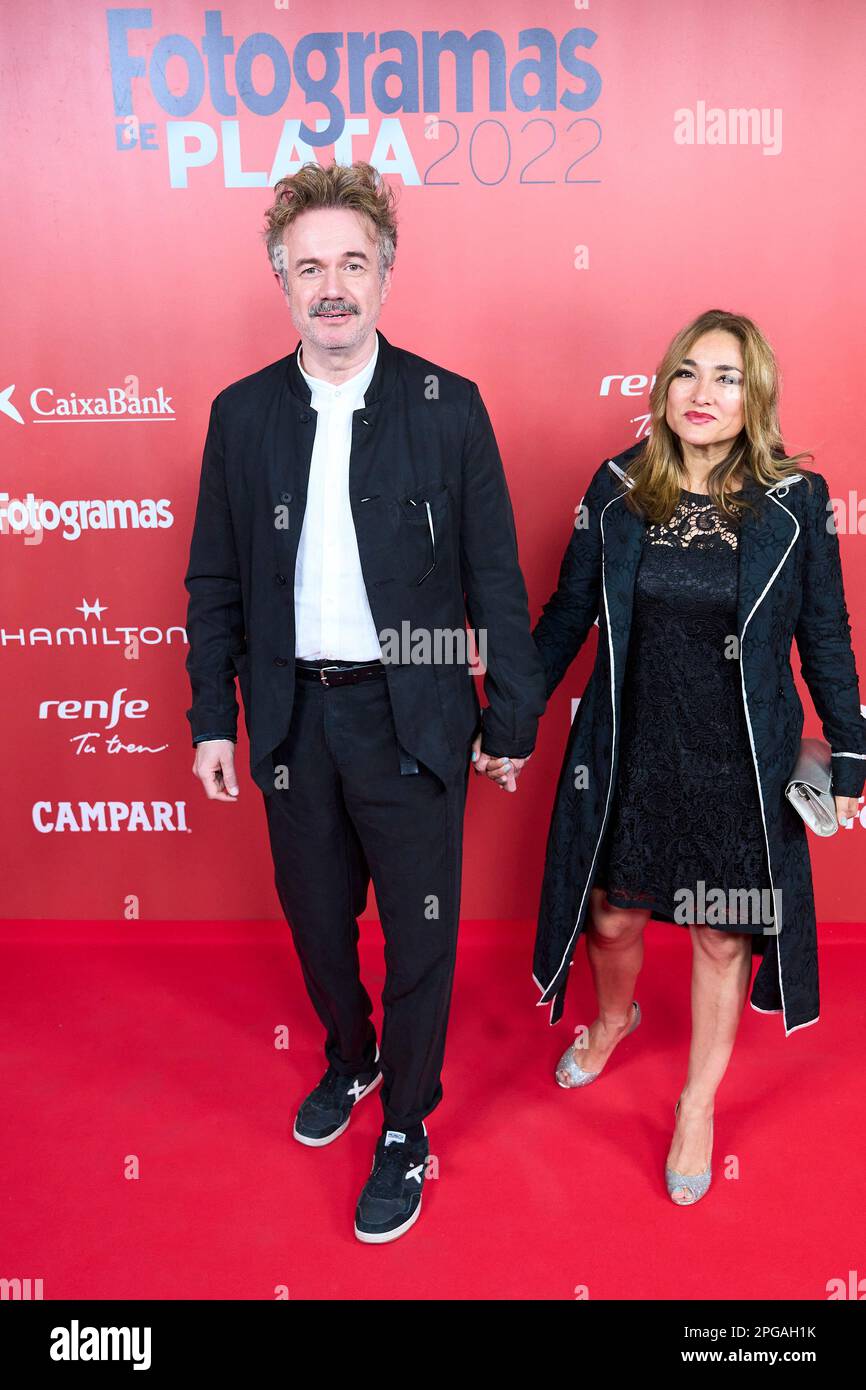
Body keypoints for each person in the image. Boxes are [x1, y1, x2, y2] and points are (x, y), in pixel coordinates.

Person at [183, 160, 545, 1243]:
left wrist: (511, 719)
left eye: (351, 263)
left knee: (420, 935)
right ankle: (350, 1056)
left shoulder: (448, 406)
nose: (331, 286)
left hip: (411, 719)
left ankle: (405, 1123)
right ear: (281, 282)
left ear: (385, 274)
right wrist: (214, 717)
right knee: (315, 918)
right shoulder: (241, 414)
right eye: (310, 268)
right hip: (293, 717)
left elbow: (494, 580)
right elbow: (214, 581)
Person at [485, 308, 866, 1204]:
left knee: (721, 933)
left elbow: (825, 636)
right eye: (687, 372)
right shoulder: (618, 488)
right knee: (612, 918)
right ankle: (614, 1019)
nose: (702, 393)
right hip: (632, 747)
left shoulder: (796, 502)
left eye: (726, 378)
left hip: (741, 759)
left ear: (754, 396)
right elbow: (566, 616)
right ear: (663, 387)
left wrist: (851, 755)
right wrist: (511, 719)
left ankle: (696, 1104)